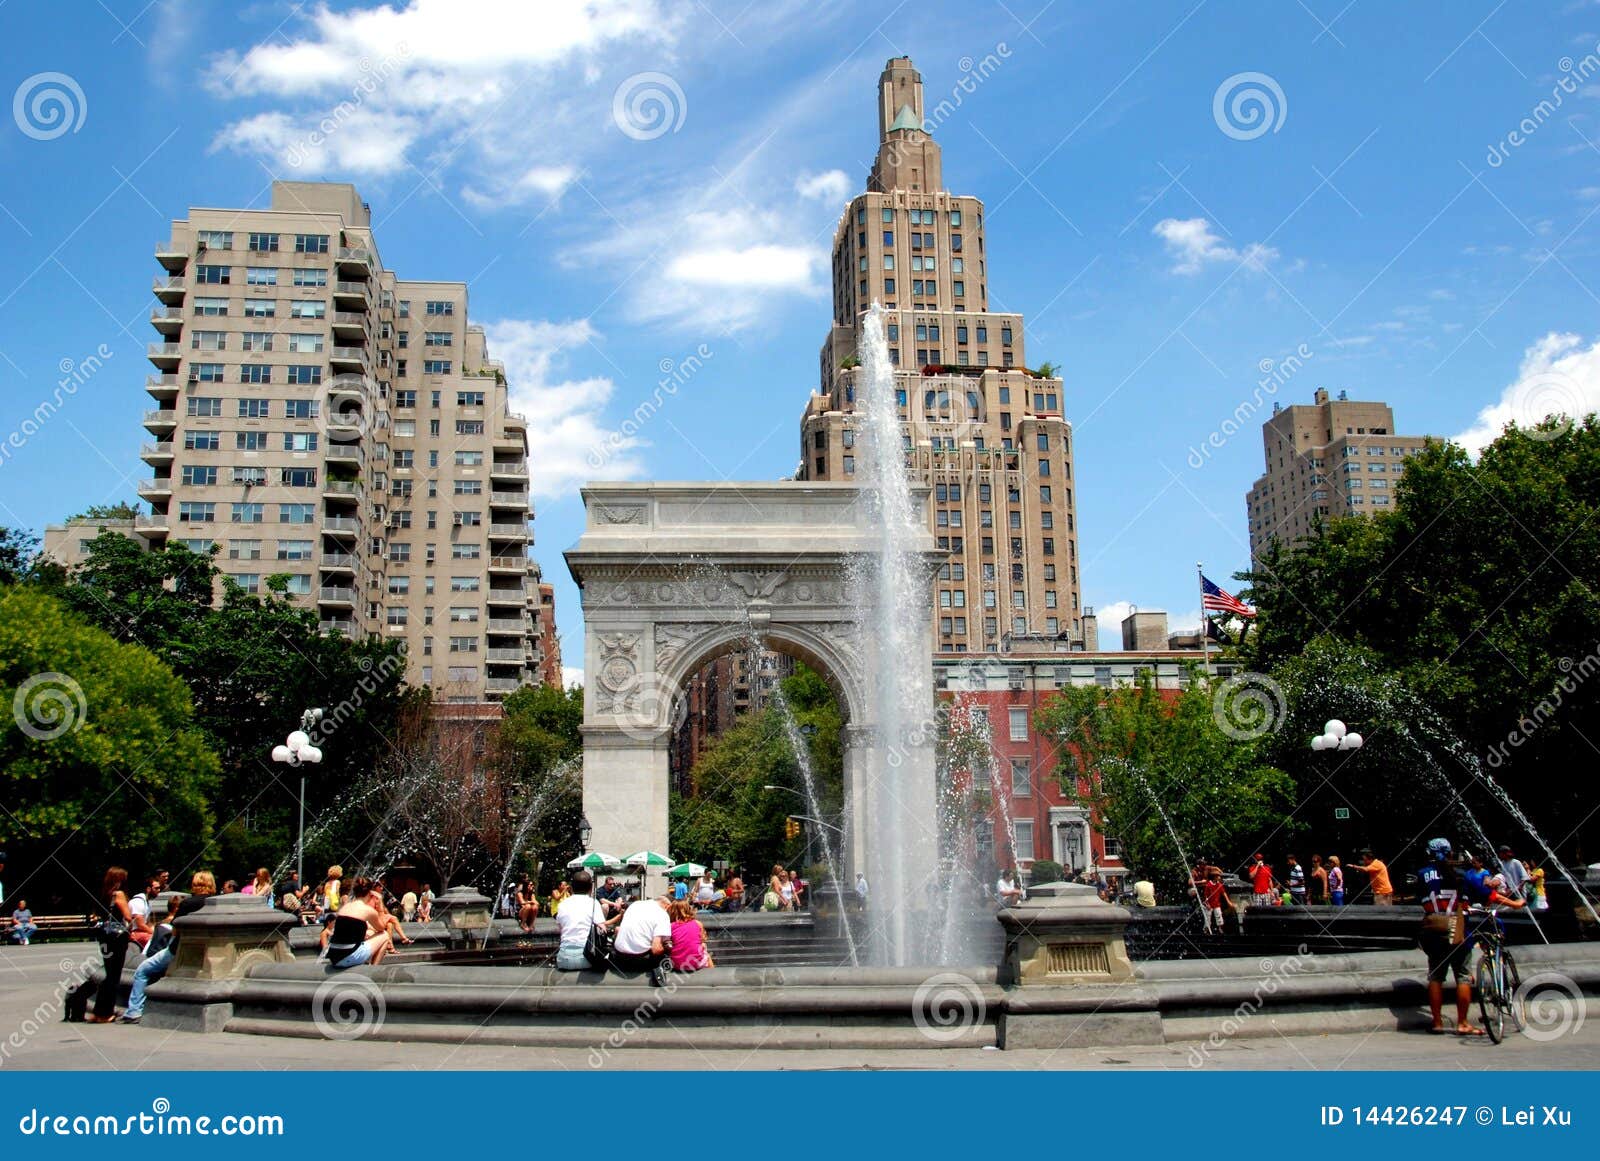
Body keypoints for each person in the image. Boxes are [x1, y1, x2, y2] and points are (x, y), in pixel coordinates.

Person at [121, 871, 216, 1024]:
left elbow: (175, 929)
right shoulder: (215, 903)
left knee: (142, 971)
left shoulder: (187, 903)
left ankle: (134, 1011)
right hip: (209, 952)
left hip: (178, 951)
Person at [1416, 838, 1481, 1036]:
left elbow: (1421, 898)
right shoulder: (1460, 875)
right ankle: (1462, 1023)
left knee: (1436, 976)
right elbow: (1466, 903)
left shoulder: (1422, 874)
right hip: (1455, 925)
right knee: (1462, 975)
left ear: (1429, 853)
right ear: (1450, 852)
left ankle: (1437, 1022)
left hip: (1434, 926)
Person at [87, 867, 136, 1024]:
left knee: (108, 974)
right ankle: (106, 1013)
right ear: (119, 880)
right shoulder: (119, 894)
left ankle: (98, 1012)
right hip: (117, 937)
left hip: (105, 936)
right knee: (114, 976)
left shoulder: (105, 893)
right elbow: (127, 916)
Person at [324, 876, 405, 969]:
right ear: (371, 893)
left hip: (334, 957)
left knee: (368, 935)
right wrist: (380, 906)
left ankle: (367, 964)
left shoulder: (345, 907)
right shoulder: (368, 910)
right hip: (349, 957)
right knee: (385, 935)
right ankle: (373, 970)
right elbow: (382, 927)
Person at [555, 870, 617, 971]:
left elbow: (562, 932)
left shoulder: (562, 905)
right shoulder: (593, 903)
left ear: (571, 887)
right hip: (586, 958)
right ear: (590, 887)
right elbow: (602, 930)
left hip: (563, 960)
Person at [611, 895, 674, 983]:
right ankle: (658, 968)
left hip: (619, 955)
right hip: (639, 958)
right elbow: (656, 950)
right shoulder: (662, 914)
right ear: (668, 906)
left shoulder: (635, 904)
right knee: (665, 946)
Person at [667, 900, 714, 971]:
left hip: (677, 964)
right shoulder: (697, 923)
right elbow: (703, 939)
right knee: (704, 949)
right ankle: (713, 973)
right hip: (697, 963)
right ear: (689, 909)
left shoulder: (670, 926)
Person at [129, 873, 161, 952]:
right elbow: (140, 925)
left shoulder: (147, 902)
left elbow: (149, 923)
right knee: (157, 941)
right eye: (156, 888)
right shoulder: (138, 901)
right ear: (148, 889)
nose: (159, 891)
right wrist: (155, 934)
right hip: (134, 933)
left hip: (142, 931)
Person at [1200, 870, 1231, 935]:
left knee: (1219, 915)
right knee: (1208, 918)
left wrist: (1228, 901)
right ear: (1214, 877)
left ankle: (1220, 929)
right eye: (1218, 876)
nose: (1219, 877)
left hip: (1216, 904)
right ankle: (1206, 930)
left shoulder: (1219, 885)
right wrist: (1207, 904)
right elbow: (1205, 896)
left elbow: (1223, 893)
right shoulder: (1208, 885)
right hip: (1209, 904)